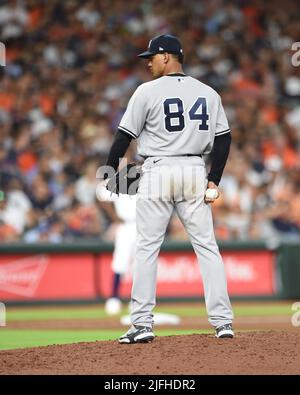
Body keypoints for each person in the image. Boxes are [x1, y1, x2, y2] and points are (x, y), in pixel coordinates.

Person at [103, 34, 234, 344]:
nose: (148, 62)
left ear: (167, 57)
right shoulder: (208, 92)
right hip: (193, 170)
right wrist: (214, 178)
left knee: (147, 247)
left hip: (158, 170)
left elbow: (124, 136)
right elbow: (224, 138)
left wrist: (108, 170)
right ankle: (223, 322)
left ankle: (142, 324)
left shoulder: (146, 91)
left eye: (152, 56)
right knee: (207, 247)